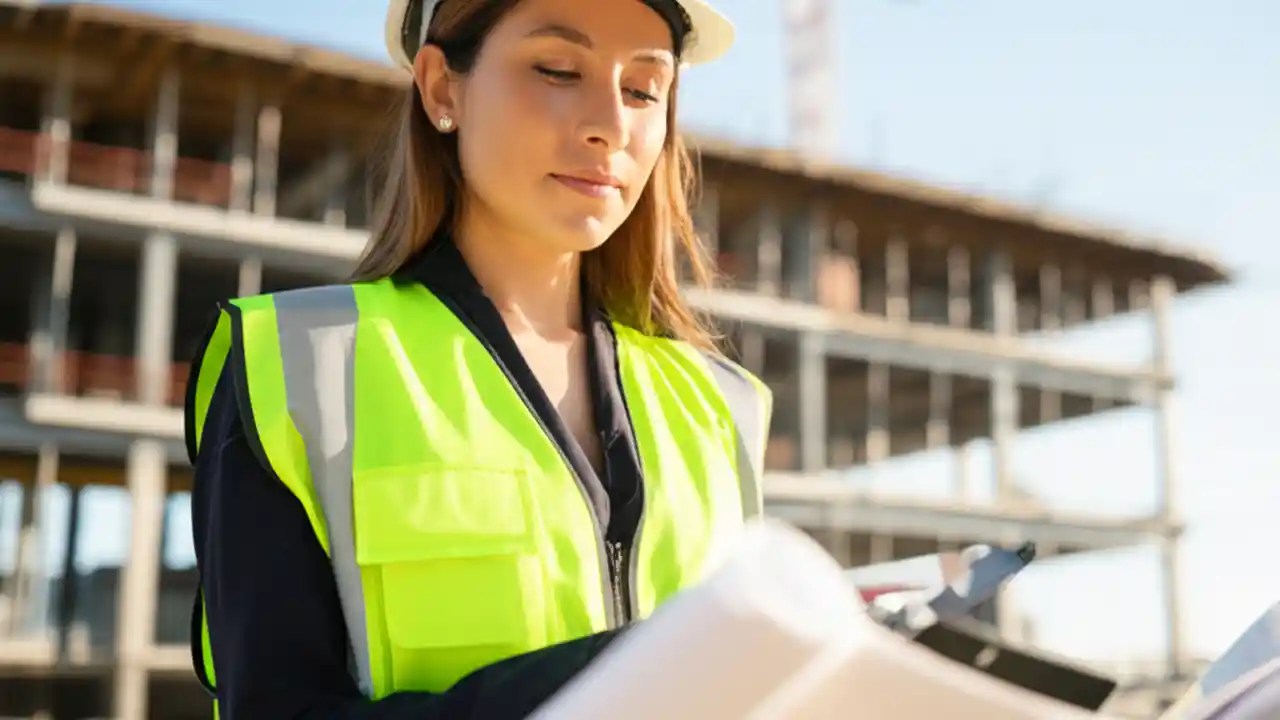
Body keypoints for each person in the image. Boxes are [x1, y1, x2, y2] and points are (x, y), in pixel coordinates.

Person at [185, 0, 770, 717]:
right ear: (441, 87)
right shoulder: (296, 367)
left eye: (644, 90)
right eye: (558, 70)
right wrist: (627, 675)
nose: (611, 125)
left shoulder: (724, 405)